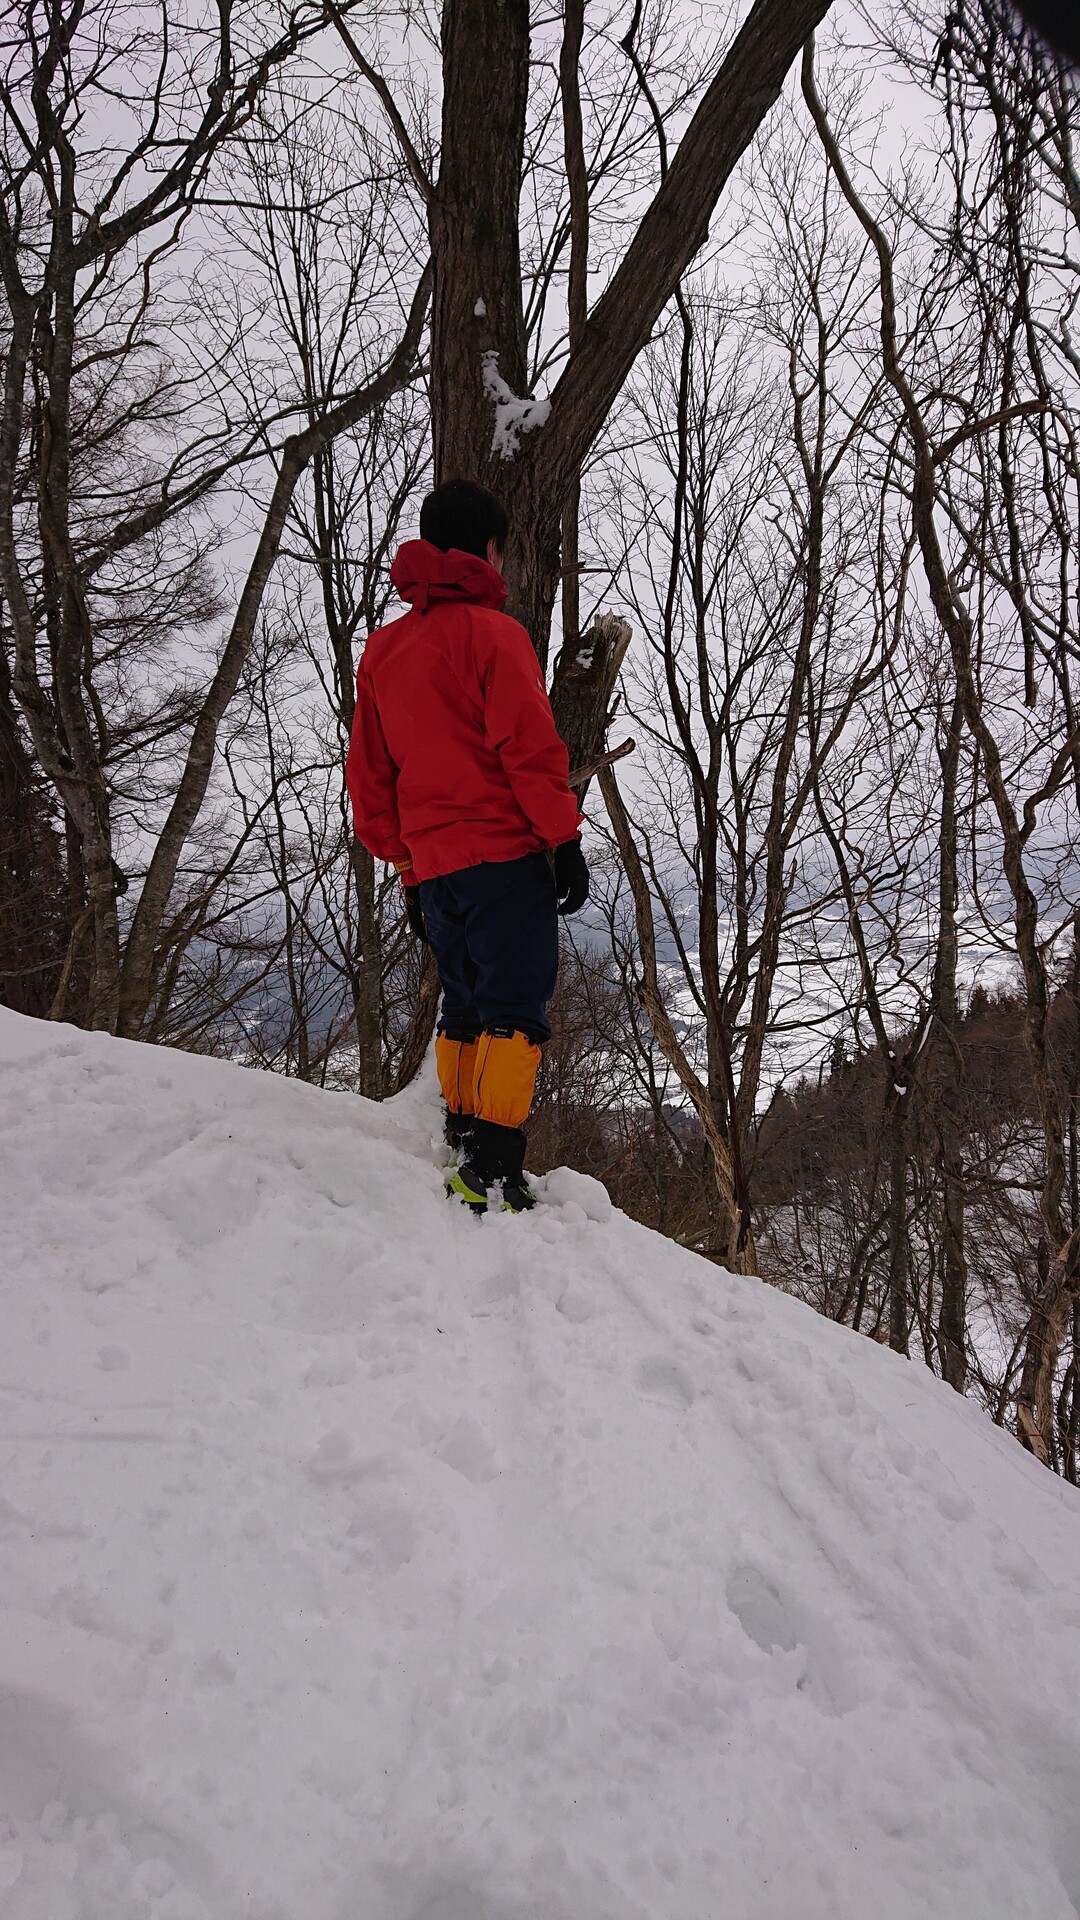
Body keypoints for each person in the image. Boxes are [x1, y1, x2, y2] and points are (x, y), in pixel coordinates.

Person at [345, 479, 590, 1213]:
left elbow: (370, 771)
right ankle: (491, 1172)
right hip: (503, 858)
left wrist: (408, 864)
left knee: (464, 1004)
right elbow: (530, 748)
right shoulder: (494, 636)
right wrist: (563, 838)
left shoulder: (385, 650)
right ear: (488, 548)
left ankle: (461, 1134)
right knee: (515, 1007)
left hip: (435, 869)